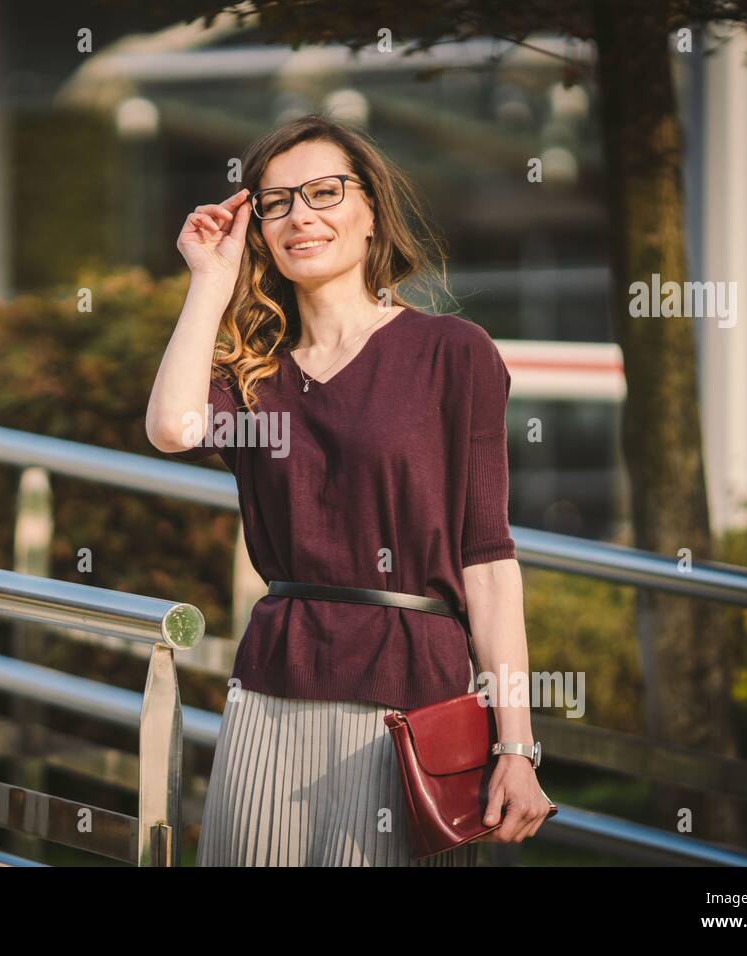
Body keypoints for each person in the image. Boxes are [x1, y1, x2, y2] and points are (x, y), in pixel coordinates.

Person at [145, 114, 552, 866]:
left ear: (371, 213)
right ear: (259, 229)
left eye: (324, 193)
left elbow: (489, 564)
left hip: (414, 701)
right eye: (275, 202)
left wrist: (517, 744)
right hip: (273, 688)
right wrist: (210, 278)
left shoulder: (451, 353)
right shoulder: (257, 377)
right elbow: (172, 427)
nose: (301, 214)